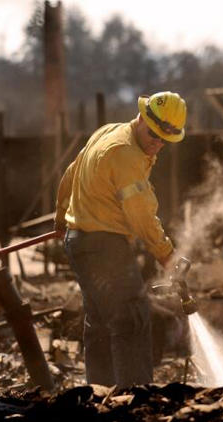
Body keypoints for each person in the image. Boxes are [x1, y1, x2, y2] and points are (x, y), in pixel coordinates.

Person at [54, 91, 187, 387]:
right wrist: (166, 254)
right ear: (142, 117)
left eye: (165, 139)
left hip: (80, 242)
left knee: (99, 322)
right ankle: (136, 397)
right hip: (104, 246)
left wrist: (61, 216)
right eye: (153, 134)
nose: (157, 143)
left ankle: (100, 394)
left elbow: (71, 173)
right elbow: (140, 215)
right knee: (132, 317)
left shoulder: (108, 132)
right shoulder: (126, 155)